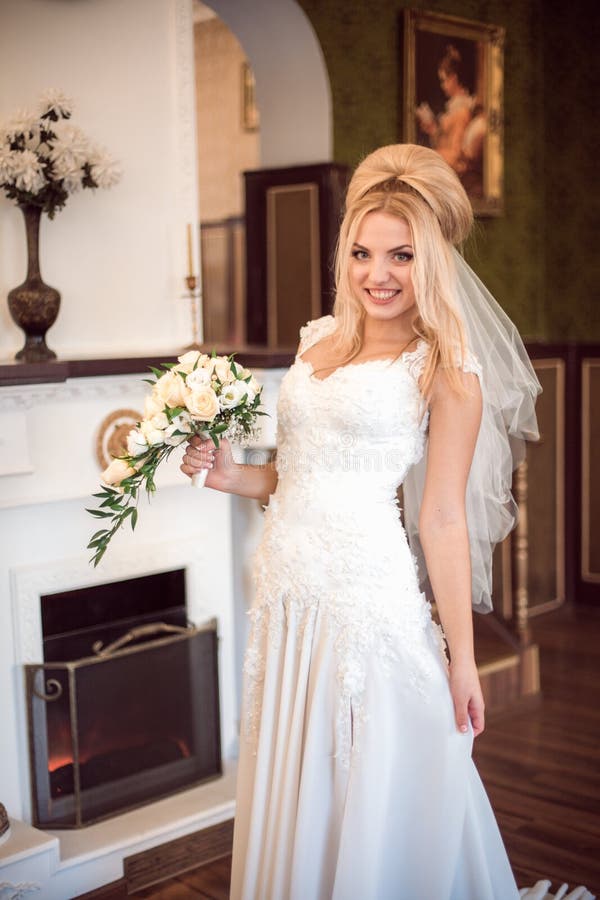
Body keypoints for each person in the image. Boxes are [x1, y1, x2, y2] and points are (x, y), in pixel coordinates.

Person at [180, 145, 568, 899]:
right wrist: (231, 475)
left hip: (365, 601)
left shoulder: (445, 368)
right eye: (362, 252)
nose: (377, 274)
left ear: (432, 262)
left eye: (401, 255)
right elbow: (298, 475)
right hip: (287, 599)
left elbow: (442, 518)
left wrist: (463, 659)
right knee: (302, 777)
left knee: (381, 779)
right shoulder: (315, 340)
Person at [416, 44, 484, 193]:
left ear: (454, 78)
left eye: (444, 80)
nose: (443, 86)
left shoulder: (462, 111)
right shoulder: (455, 108)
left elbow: (455, 153)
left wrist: (425, 156)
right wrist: (434, 131)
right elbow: (446, 142)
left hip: (454, 171)